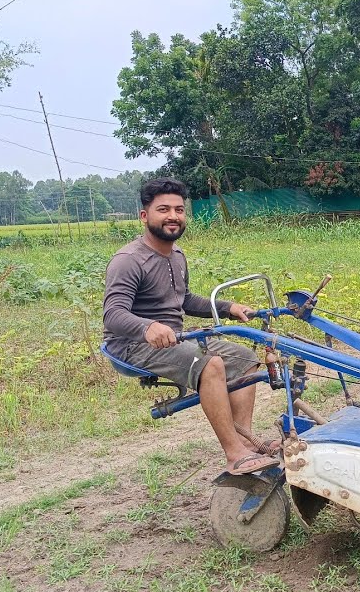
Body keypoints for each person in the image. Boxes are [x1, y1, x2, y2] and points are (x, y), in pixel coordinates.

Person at [103, 177, 279, 475]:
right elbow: (113, 314)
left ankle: (243, 440)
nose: (173, 216)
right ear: (144, 216)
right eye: (163, 209)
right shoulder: (128, 260)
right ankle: (233, 453)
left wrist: (228, 307)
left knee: (245, 359)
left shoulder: (177, 255)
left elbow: (183, 300)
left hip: (179, 338)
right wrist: (148, 328)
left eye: (179, 210)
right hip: (134, 345)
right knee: (210, 365)